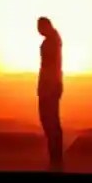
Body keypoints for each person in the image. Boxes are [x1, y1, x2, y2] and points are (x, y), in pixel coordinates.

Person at [37, 17, 64, 171]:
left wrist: (52, 86)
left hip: (49, 87)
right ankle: (55, 158)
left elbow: (52, 66)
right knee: (51, 121)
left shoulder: (52, 41)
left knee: (50, 121)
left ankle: (56, 159)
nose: (38, 30)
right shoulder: (53, 39)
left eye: (39, 27)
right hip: (50, 86)